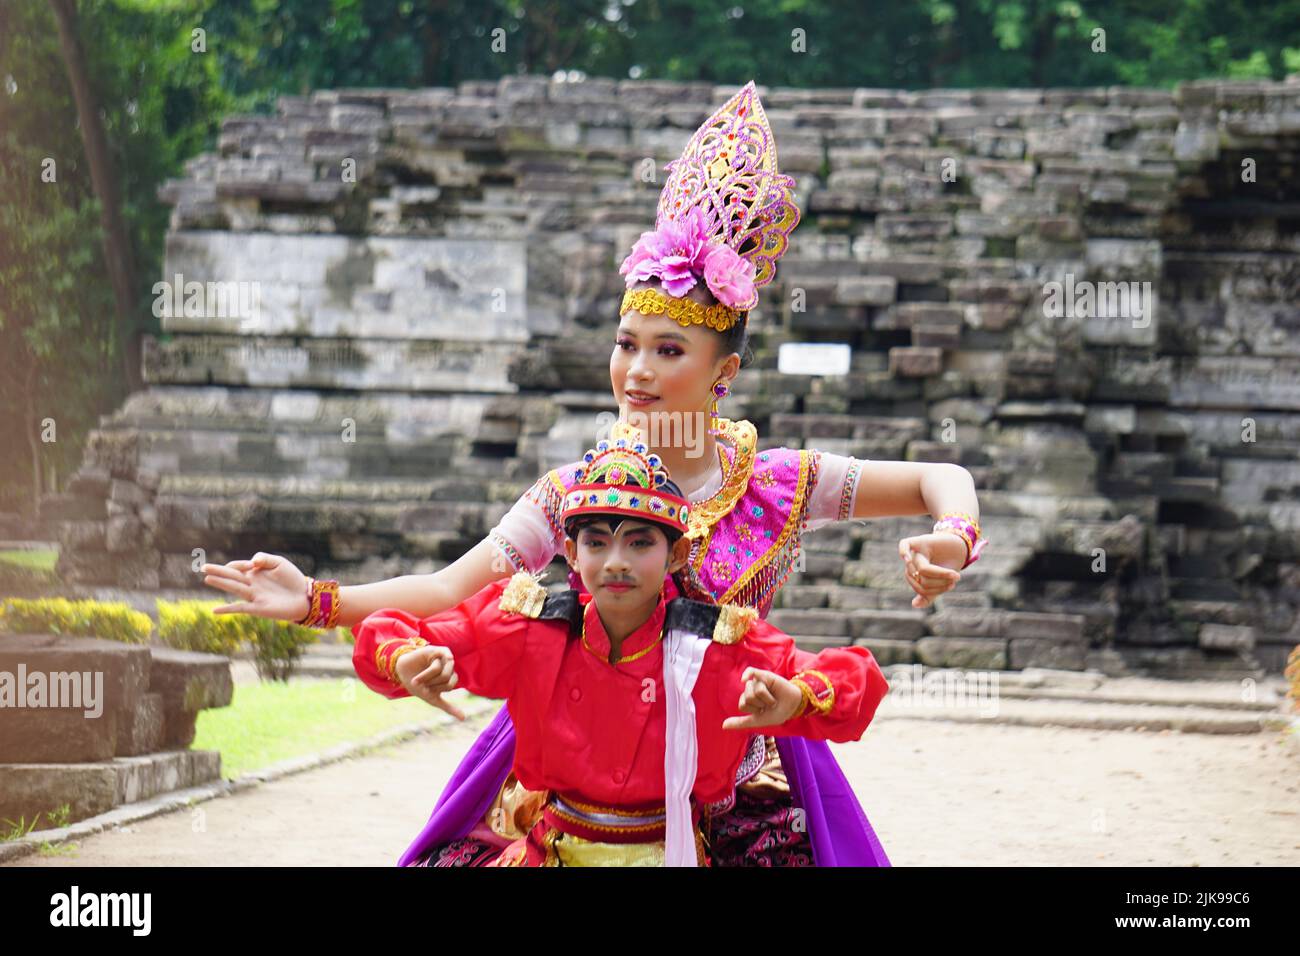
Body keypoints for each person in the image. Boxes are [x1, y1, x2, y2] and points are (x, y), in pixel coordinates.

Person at [200, 79, 988, 866]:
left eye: (668, 350)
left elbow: (937, 478)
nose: (636, 372)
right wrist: (314, 600)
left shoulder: (776, 483)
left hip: (733, 773)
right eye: (626, 344)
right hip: (582, 776)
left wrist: (951, 538)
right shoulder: (573, 497)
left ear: (725, 371)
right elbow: (448, 592)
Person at [351, 440, 889, 865]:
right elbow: (397, 629)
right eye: (596, 542)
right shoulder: (530, 629)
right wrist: (407, 660)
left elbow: (854, 677)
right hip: (551, 852)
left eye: (639, 542)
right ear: (569, 551)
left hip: (672, 850)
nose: (615, 562)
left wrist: (795, 696)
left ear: (676, 553)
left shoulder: (713, 645)